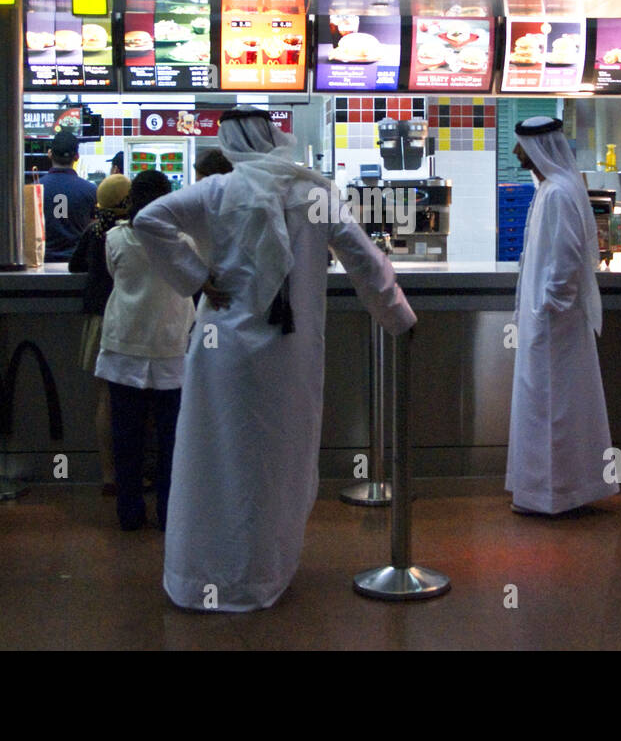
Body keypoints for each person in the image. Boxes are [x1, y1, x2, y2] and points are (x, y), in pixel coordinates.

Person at [133, 106, 415, 612]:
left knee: (217, 460)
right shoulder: (313, 191)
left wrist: (197, 278)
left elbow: (148, 219)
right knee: (276, 463)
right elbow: (364, 259)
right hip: (290, 357)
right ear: (274, 136)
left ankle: (202, 579)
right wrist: (398, 318)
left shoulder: (219, 190)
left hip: (223, 353)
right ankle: (262, 576)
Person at [507, 116, 618, 515]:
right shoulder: (554, 188)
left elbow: (567, 257)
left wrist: (549, 306)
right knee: (557, 405)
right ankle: (557, 489)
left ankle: (553, 494)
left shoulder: (556, 193)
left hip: (554, 321)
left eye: (522, 146)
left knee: (550, 407)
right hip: (551, 319)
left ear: (538, 148)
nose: (518, 154)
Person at [98, 171, 195, 531]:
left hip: (124, 346)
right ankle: (169, 512)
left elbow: (113, 276)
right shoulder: (185, 241)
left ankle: (129, 511)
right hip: (172, 347)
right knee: (172, 441)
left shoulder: (114, 239)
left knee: (128, 439)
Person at [68, 173, 132, 495]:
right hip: (130, 320)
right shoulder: (136, 233)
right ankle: (136, 471)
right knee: (139, 399)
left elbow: (73, 267)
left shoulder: (94, 232)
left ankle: (109, 475)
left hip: (98, 318)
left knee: (105, 398)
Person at [39, 130, 97, 262]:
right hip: (78, 263)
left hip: (42, 262)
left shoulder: (35, 189)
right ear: (76, 156)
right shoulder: (91, 190)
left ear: (50, 154)